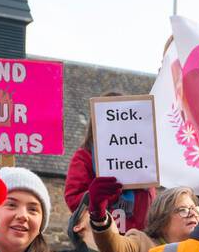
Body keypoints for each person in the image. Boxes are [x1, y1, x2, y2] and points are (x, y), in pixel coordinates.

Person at [63, 95, 155, 233]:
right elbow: (73, 200)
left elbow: (150, 205)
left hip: (138, 239)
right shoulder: (85, 156)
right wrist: (100, 196)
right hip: (99, 237)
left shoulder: (142, 159)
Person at [87, 181, 199, 252]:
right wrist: (99, 216)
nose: (193, 214)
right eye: (183, 210)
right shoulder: (142, 243)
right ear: (162, 218)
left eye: (195, 209)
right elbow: (117, 251)